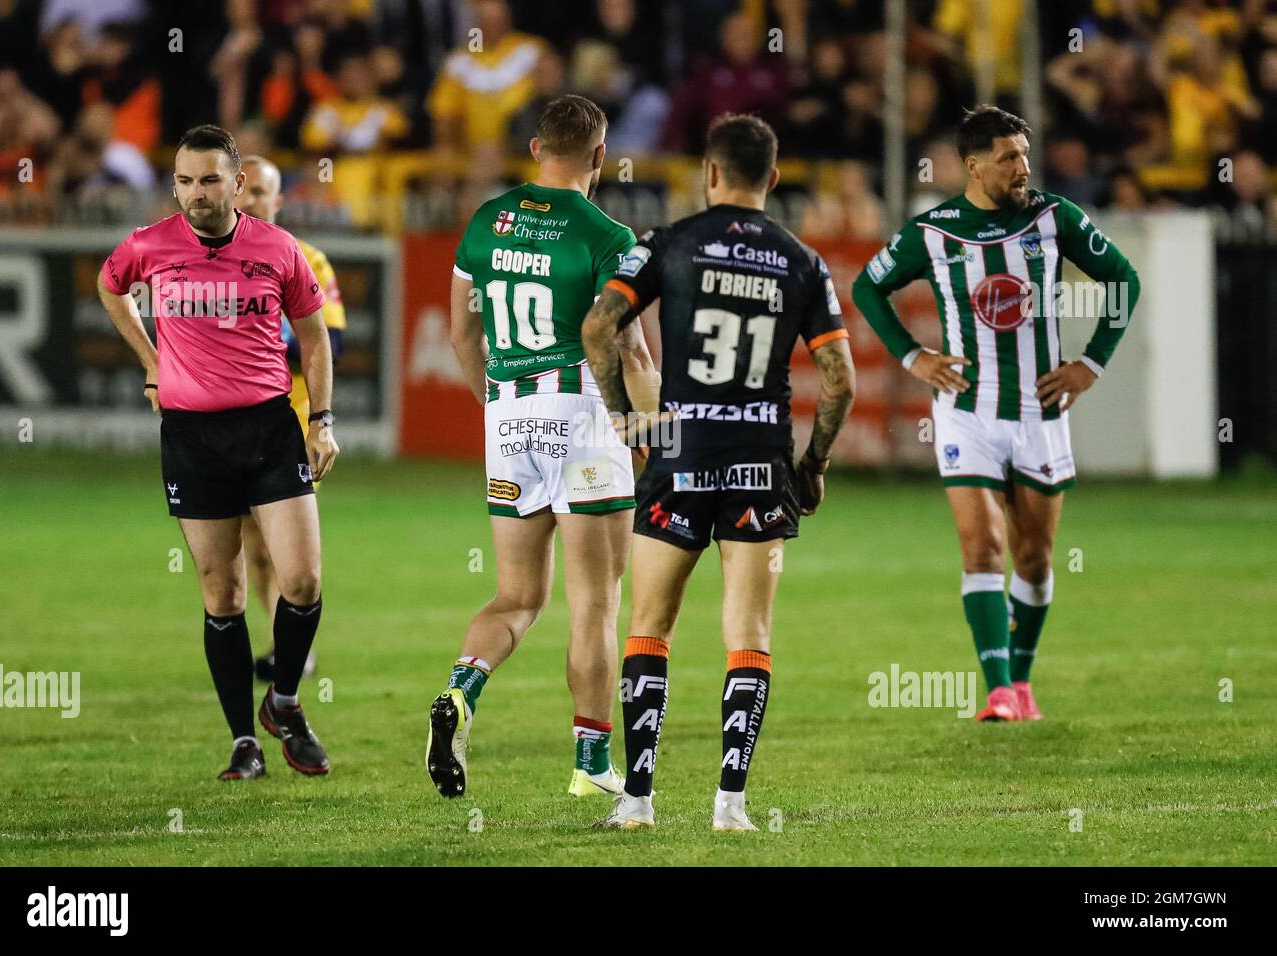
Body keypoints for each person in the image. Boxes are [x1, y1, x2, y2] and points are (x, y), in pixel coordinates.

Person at [581, 113, 856, 831]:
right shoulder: (803, 260)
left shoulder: (668, 244)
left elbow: (598, 327)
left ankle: (637, 798)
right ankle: (730, 803)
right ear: (772, 177)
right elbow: (840, 378)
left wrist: (624, 419)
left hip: (680, 454)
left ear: (708, 173)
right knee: (749, 631)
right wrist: (815, 464)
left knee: (649, 624)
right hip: (762, 463)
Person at [851, 106, 1140, 721]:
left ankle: (1023, 678)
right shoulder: (934, 231)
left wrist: (1092, 364)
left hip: (1040, 411)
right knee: (981, 545)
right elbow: (866, 288)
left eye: (1025, 156)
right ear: (973, 164)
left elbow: (1123, 279)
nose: (1022, 168)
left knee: (1033, 556)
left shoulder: (1054, 217)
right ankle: (998, 689)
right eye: (1009, 157)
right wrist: (910, 355)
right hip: (966, 410)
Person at [427, 95, 657, 800]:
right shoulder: (609, 236)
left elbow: (464, 334)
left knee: (516, 595)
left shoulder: (484, 223)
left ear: (534, 150)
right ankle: (590, 767)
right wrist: (654, 438)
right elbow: (632, 350)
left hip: (510, 415)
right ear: (598, 156)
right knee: (595, 603)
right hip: (584, 412)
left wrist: (498, 411)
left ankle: (461, 691)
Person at [96, 124, 339, 779]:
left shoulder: (278, 249)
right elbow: (109, 284)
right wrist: (151, 359)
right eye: (183, 181)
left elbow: (315, 341)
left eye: (208, 180)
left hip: (268, 429)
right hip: (192, 437)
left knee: (302, 579)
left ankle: (283, 701)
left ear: (236, 183)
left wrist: (320, 421)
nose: (195, 193)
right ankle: (243, 742)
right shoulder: (149, 245)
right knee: (222, 591)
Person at [234, 154, 346, 684]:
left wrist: (257, 344)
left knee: (285, 550)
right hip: (228, 425)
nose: (249, 199)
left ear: (278, 201)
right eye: (243, 189)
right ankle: (285, 648)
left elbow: (333, 342)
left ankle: (294, 655)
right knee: (252, 547)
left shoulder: (308, 260)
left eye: (261, 191)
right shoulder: (211, 259)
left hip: (289, 422)